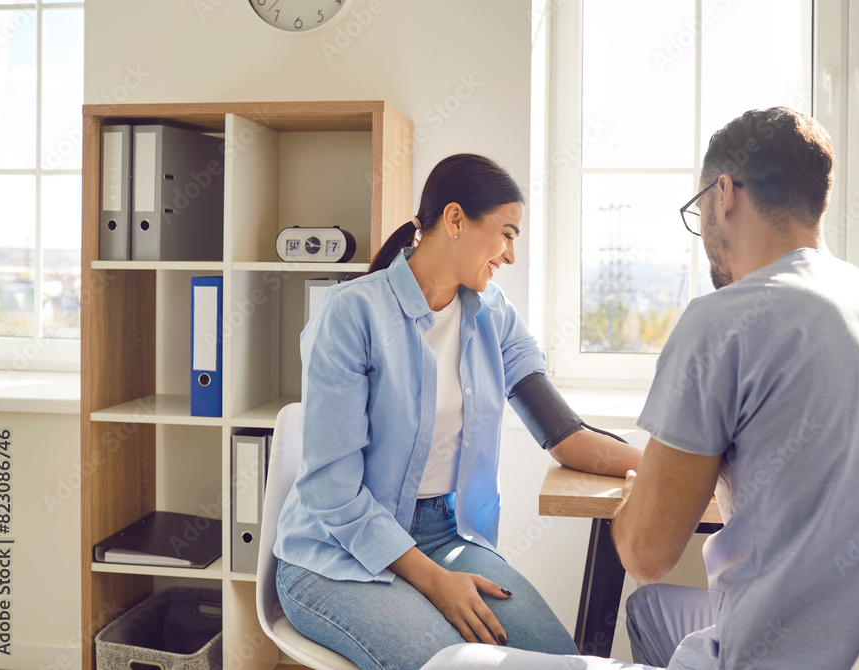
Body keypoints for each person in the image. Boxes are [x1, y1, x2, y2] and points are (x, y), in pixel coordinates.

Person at [422, 108, 859, 670]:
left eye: (699, 205)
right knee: (654, 612)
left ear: (722, 193)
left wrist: (636, 500)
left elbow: (645, 554)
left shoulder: (724, 320)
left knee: (455, 663)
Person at [273, 153, 644, 670]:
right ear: (454, 220)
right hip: (334, 554)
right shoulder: (351, 314)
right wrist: (434, 580)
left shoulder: (495, 315)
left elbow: (565, 435)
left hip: (443, 535)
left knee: (561, 663)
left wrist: (668, 470)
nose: (511, 256)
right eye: (507, 234)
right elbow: (331, 493)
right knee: (459, 667)